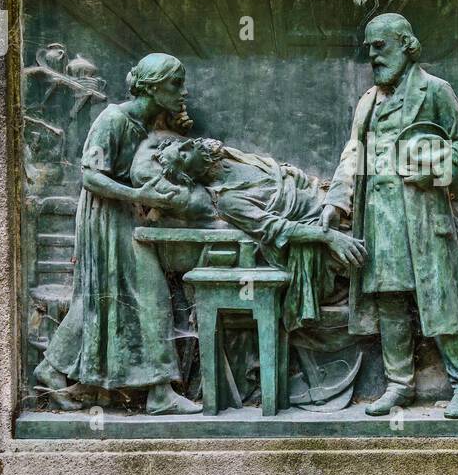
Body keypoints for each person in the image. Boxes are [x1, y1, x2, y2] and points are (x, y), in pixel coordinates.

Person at [320, 13, 458, 419]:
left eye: (380, 47)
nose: (372, 56)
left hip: (423, 217)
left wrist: (436, 168)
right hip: (380, 220)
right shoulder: (368, 102)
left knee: (440, 301)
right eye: (369, 49)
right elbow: (353, 155)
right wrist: (335, 203)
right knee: (390, 302)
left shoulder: (435, 90)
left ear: (406, 45)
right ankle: (399, 385)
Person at [33, 53, 200, 415]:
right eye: (175, 84)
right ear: (152, 87)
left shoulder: (146, 123)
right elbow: (91, 176)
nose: (183, 92)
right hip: (106, 216)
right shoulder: (113, 118)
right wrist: (139, 195)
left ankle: (52, 369)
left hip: (125, 214)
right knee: (145, 294)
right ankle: (159, 392)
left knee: (101, 298)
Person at [137, 135, 366, 330]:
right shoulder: (229, 201)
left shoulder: (230, 156)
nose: (190, 145)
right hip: (320, 234)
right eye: (184, 155)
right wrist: (329, 237)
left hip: (333, 202)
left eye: (183, 145)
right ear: (190, 176)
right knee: (374, 258)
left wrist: (333, 201)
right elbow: (277, 229)